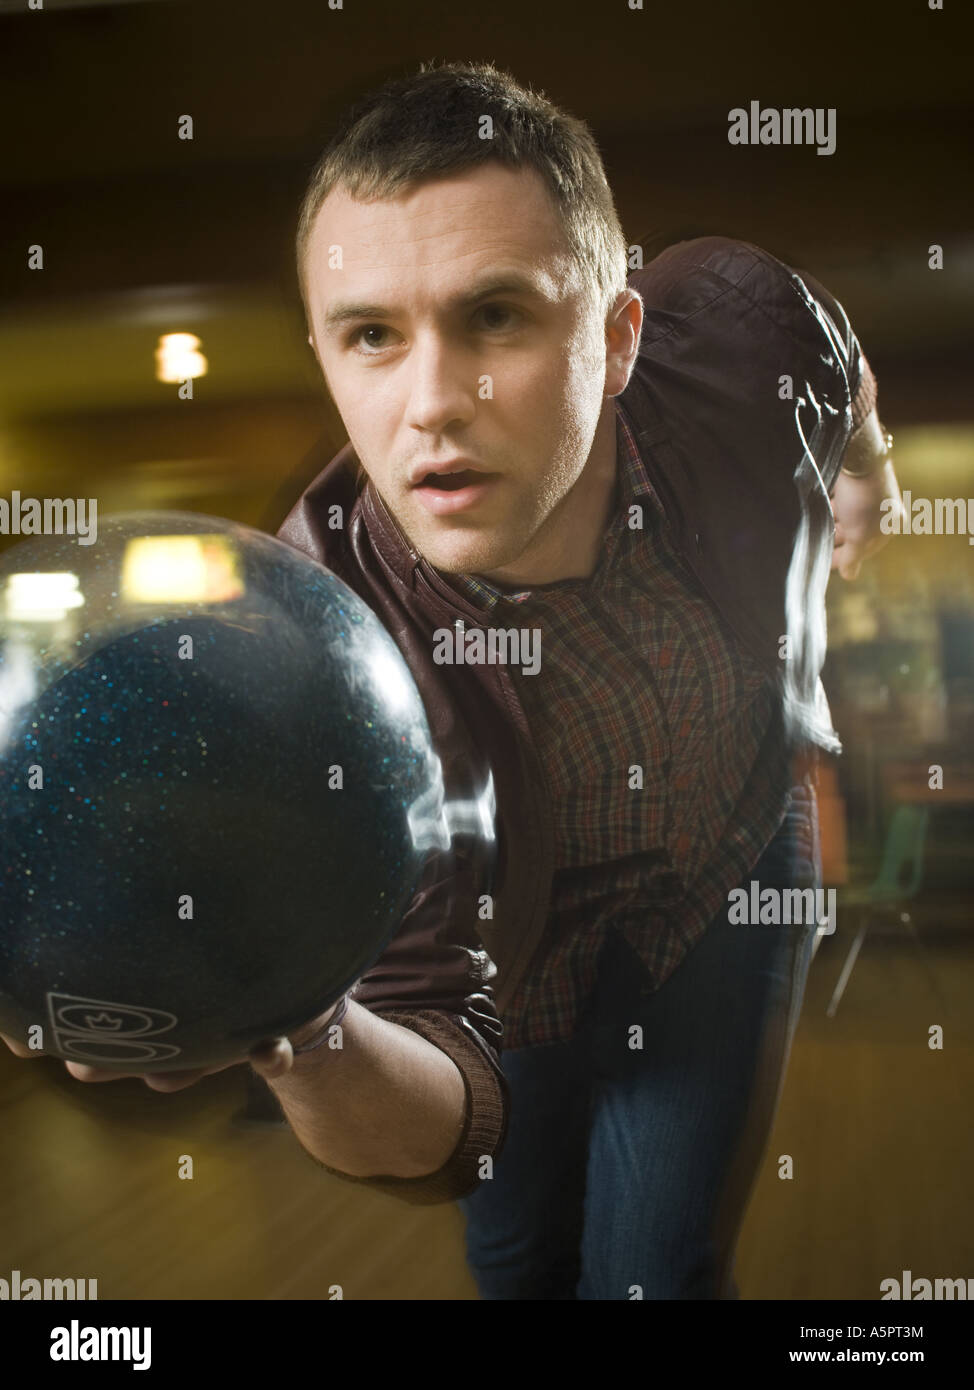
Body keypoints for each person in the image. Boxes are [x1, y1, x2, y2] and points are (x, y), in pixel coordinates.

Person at [2, 59, 905, 1299]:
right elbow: (438, 1127)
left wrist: (867, 468)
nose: (430, 403)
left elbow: (835, 364)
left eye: (496, 317)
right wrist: (295, 1020)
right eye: (371, 334)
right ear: (325, 353)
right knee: (514, 1242)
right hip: (511, 946)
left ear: (617, 336)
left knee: (654, 1266)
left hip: (729, 862)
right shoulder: (323, 668)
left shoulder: (741, 329)